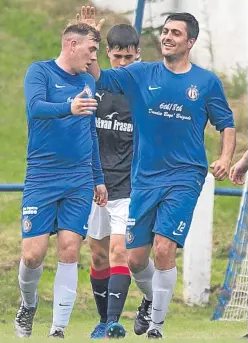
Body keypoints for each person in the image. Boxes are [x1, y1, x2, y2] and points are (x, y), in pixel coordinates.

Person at [81, 8, 236, 339]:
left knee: (164, 248)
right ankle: (151, 300)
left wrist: (224, 157)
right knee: (136, 259)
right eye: (165, 31)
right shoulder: (140, 74)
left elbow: (227, 125)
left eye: (176, 33)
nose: (167, 36)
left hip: (185, 176)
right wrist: (91, 42)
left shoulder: (206, 82)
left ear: (190, 41)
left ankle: (156, 328)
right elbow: (99, 76)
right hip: (144, 179)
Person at [14, 19, 108, 339]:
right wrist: (69, 106)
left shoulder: (88, 82)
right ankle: (28, 305)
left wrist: (97, 177)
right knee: (33, 254)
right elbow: (35, 108)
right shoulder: (39, 72)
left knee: (70, 248)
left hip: (80, 177)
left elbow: (90, 132)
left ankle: (58, 330)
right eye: (91, 50)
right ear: (72, 45)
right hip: (42, 175)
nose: (94, 57)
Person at [85, 22, 140, 338]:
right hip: (96, 186)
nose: (122, 63)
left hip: (129, 187)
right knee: (98, 254)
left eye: (128, 58)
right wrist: (89, 36)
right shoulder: (95, 86)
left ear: (138, 55)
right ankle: (103, 319)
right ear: (106, 53)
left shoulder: (141, 92)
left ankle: (113, 323)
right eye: (117, 56)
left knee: (120, 252)